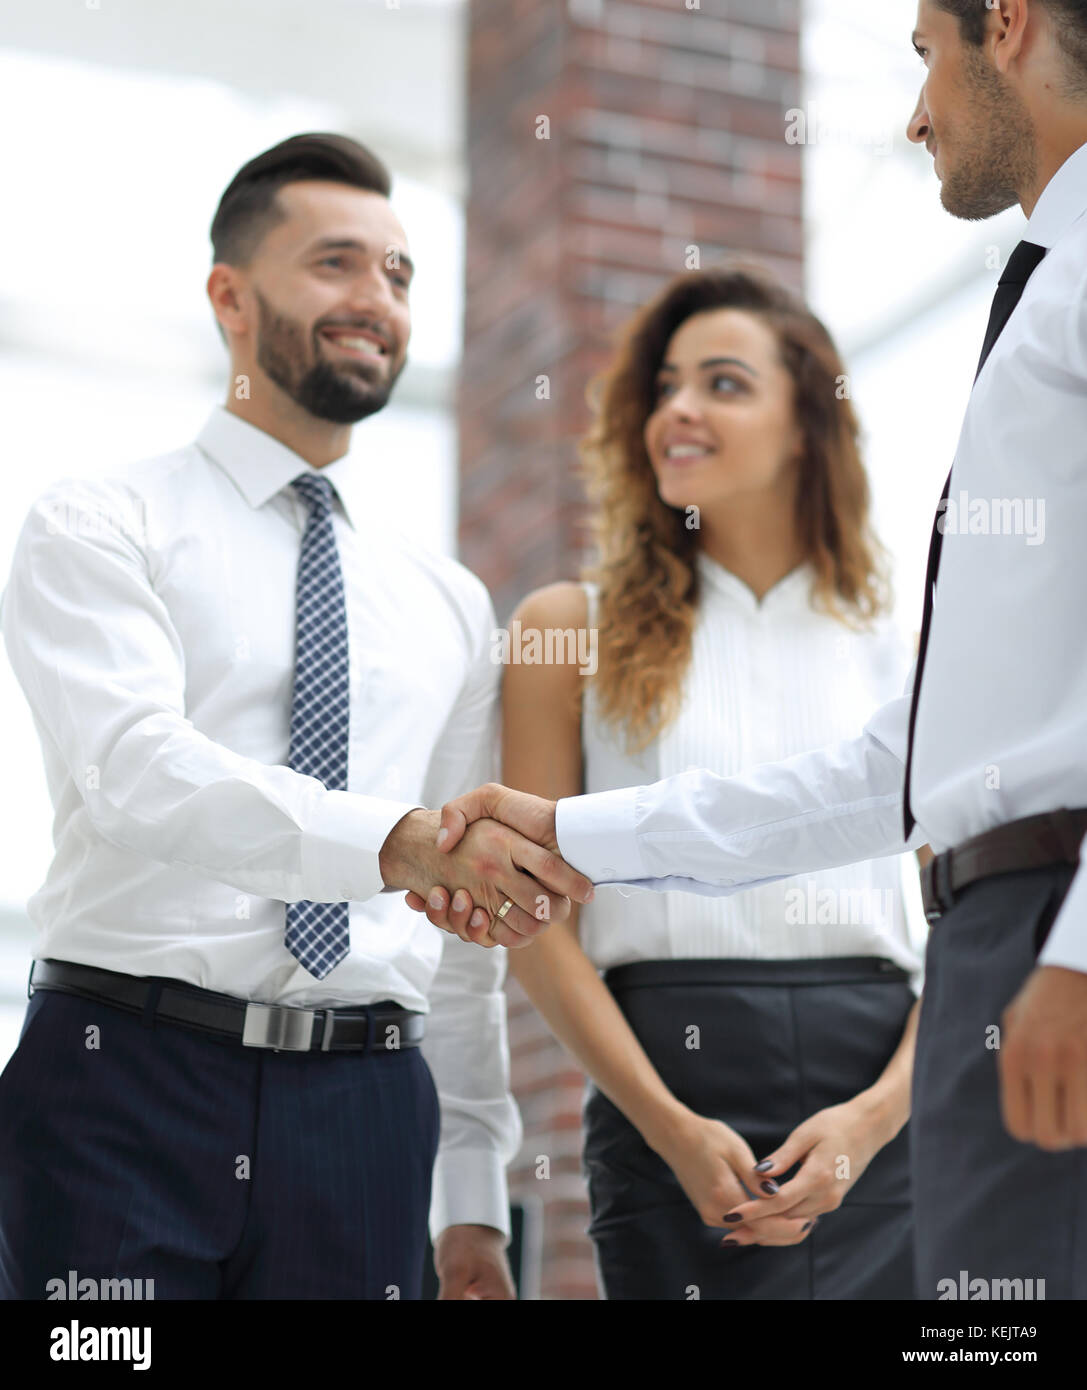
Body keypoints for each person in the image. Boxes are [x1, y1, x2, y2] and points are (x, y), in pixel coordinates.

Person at [411, 0, 1087, 1300]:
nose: (908, 114)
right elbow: (881, 776)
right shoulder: (1042, 287)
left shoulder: (1062, 297)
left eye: (918, 60)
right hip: (922, 986)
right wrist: (569, 832)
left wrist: (1065, 957)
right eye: (661, 386)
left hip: (987, 971)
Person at [0, 132, 591, 1302]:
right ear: (230, 295)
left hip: (365, 1111)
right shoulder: (99, 521)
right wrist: (394, 840)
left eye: (400, 274)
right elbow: (137, 769)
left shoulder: (449, 602)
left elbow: (462, 934)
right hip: (122, 1085)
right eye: (335, 263)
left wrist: (471, 1193)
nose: (375, 299)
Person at [472, 263, 933, 1298]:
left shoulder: (900, 642)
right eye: (667, 385)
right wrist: (669, 1127)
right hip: (665, 1098)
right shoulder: (563, 627)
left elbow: (968, 909)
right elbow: (534, 919)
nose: (676, 408)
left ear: (808, 425)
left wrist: (875, 1118)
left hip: (883, 1097)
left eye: (722, 383)